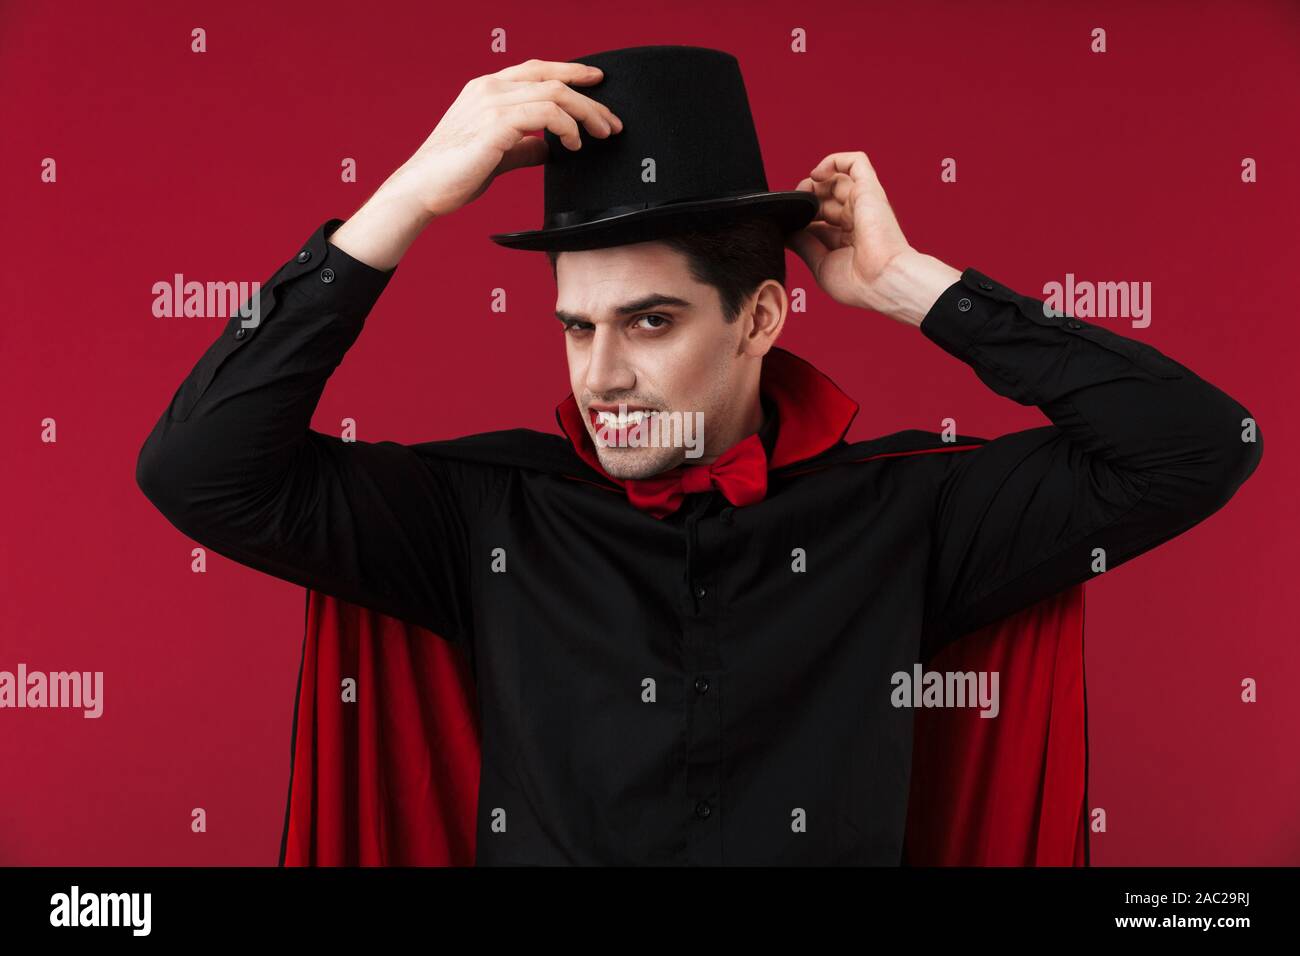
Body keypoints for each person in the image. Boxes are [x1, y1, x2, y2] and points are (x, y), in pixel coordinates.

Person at [135, 46, 1262, 865]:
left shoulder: (912, 510)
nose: (602, 372)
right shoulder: (478, 516)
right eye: (578, 325)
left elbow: (1195, 446)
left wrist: (912, 287)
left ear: (763, 318)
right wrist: (408, 198)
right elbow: (200, 467)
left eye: (652, 321)